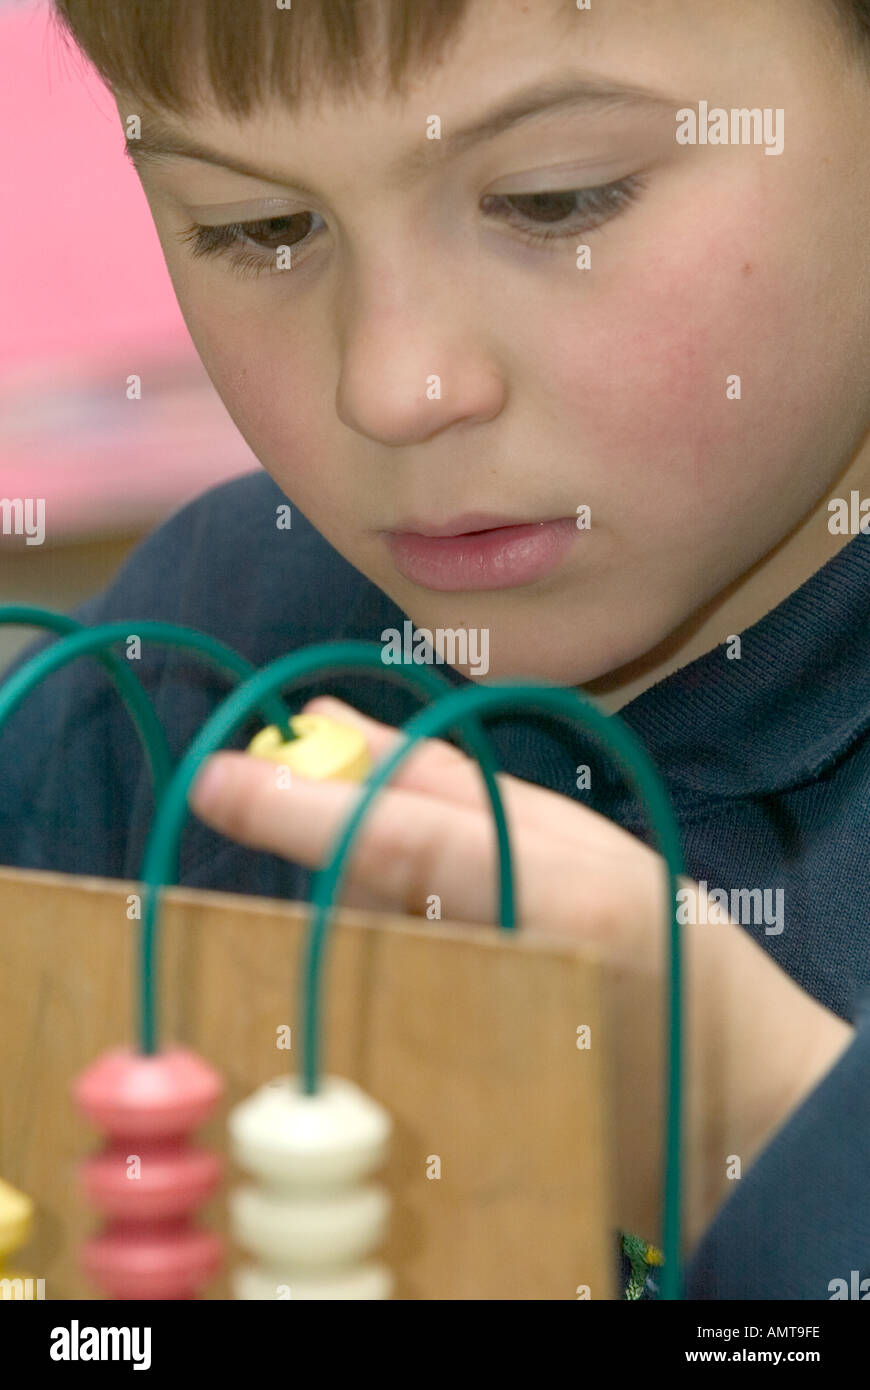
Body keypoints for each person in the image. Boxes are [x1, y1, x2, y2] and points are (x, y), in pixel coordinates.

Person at [1, 0, 869, 1299]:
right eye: (259, 226)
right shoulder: (159, 688)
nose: (392, 386)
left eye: (556, 201)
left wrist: (753, 1118)